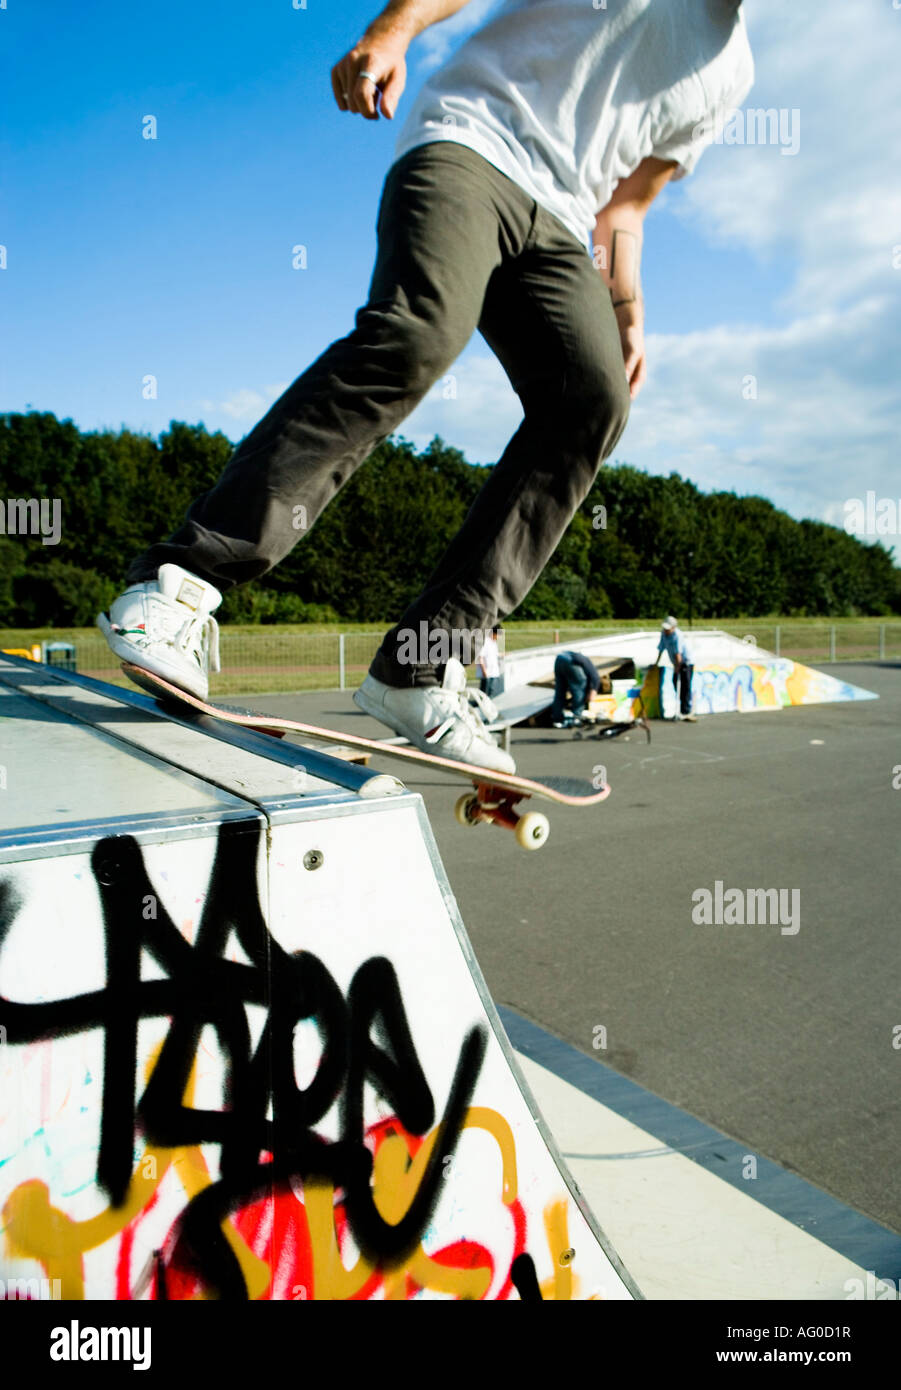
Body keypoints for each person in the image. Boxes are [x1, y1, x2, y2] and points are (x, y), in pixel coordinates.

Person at [97, 0, 752, 775]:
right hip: (470, 146)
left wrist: (626, 305)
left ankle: (420, 662)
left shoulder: (730, 71)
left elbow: (629, 202)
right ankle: (179, 585)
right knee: (417, 333)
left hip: (564, 222)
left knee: (592, 401)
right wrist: (395, 28)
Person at [653, 616, 696, 720]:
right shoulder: (663, 634)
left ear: (673, 627)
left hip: (685, 663)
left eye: (668, 629)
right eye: (665, 628)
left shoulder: (677, 635)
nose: (666, 630)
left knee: (685, 686)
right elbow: (661, 648)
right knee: (675, 682)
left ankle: (686, 712)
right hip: (676, 663)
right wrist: (656, 663)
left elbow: (678, 654)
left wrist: (677, 668)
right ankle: (682, 709)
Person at [550, 650, 601, 728]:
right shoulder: (594, 677)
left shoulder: (583, 660)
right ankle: (577, 717)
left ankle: (557, 718)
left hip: (559, 659)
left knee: (560, 690)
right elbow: (595, 678)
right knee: (579, 687)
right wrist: (593, 692)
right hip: (571, 662)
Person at [477, 625, 504, 702]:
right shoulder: (485, 642)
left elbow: (495, 654)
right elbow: (481, 657)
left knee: (491, 693)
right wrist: (484, 671)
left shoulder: (494, 643)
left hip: (493, 672)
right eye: (498, 635)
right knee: (484, 694)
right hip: (486, 672)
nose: (499, 637)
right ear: (494, 633)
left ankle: (488, 707)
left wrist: (503, 654)